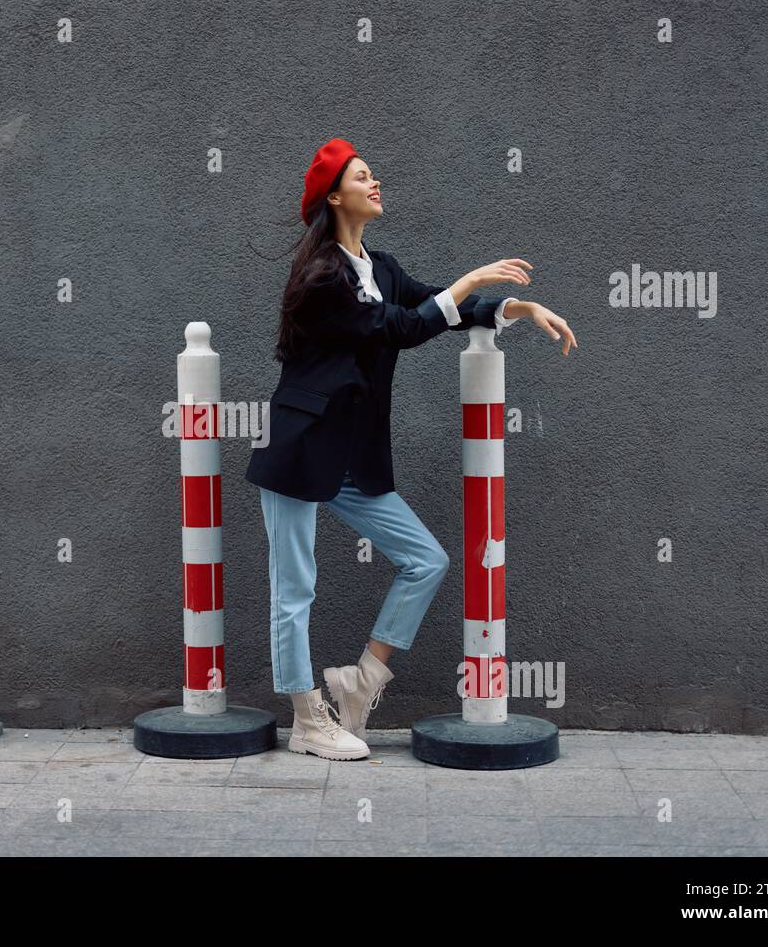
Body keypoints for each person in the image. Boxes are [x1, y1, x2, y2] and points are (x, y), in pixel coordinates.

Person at [245, 137, 577, 760]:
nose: (376, 184)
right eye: (363, 177)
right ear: (336, 195)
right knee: (295, 589)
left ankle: (361, 681)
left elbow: (439, 310)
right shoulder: (321, 278)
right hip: (299, 448)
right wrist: (470, 278)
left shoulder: (383, 268)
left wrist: (514, 306)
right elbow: (397, 327)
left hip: (351, 456)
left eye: (374, 174)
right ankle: (306, 719)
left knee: (426, 560)